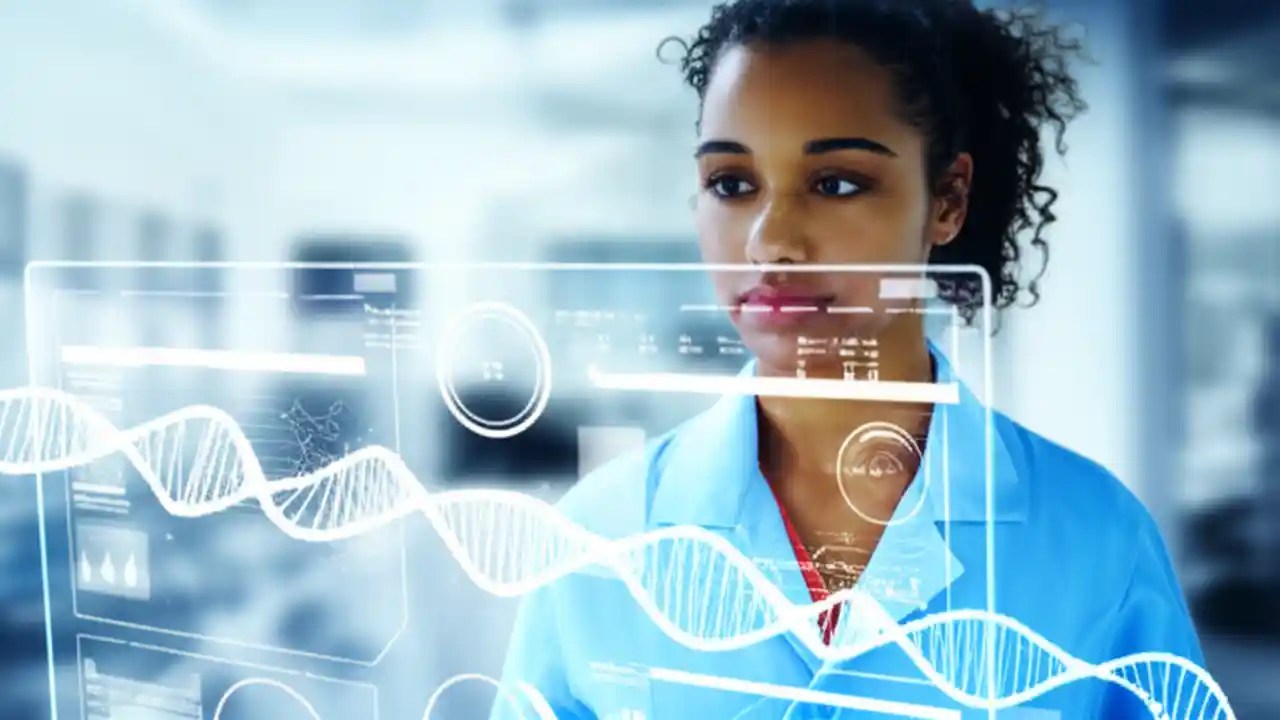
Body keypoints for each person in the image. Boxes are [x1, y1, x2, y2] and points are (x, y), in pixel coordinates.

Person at [494, 0, 1206, 717]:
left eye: (835, 183)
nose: (771, 242)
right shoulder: (597, 541)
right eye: (732, 184)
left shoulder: (1098, 540)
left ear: (948, 200)